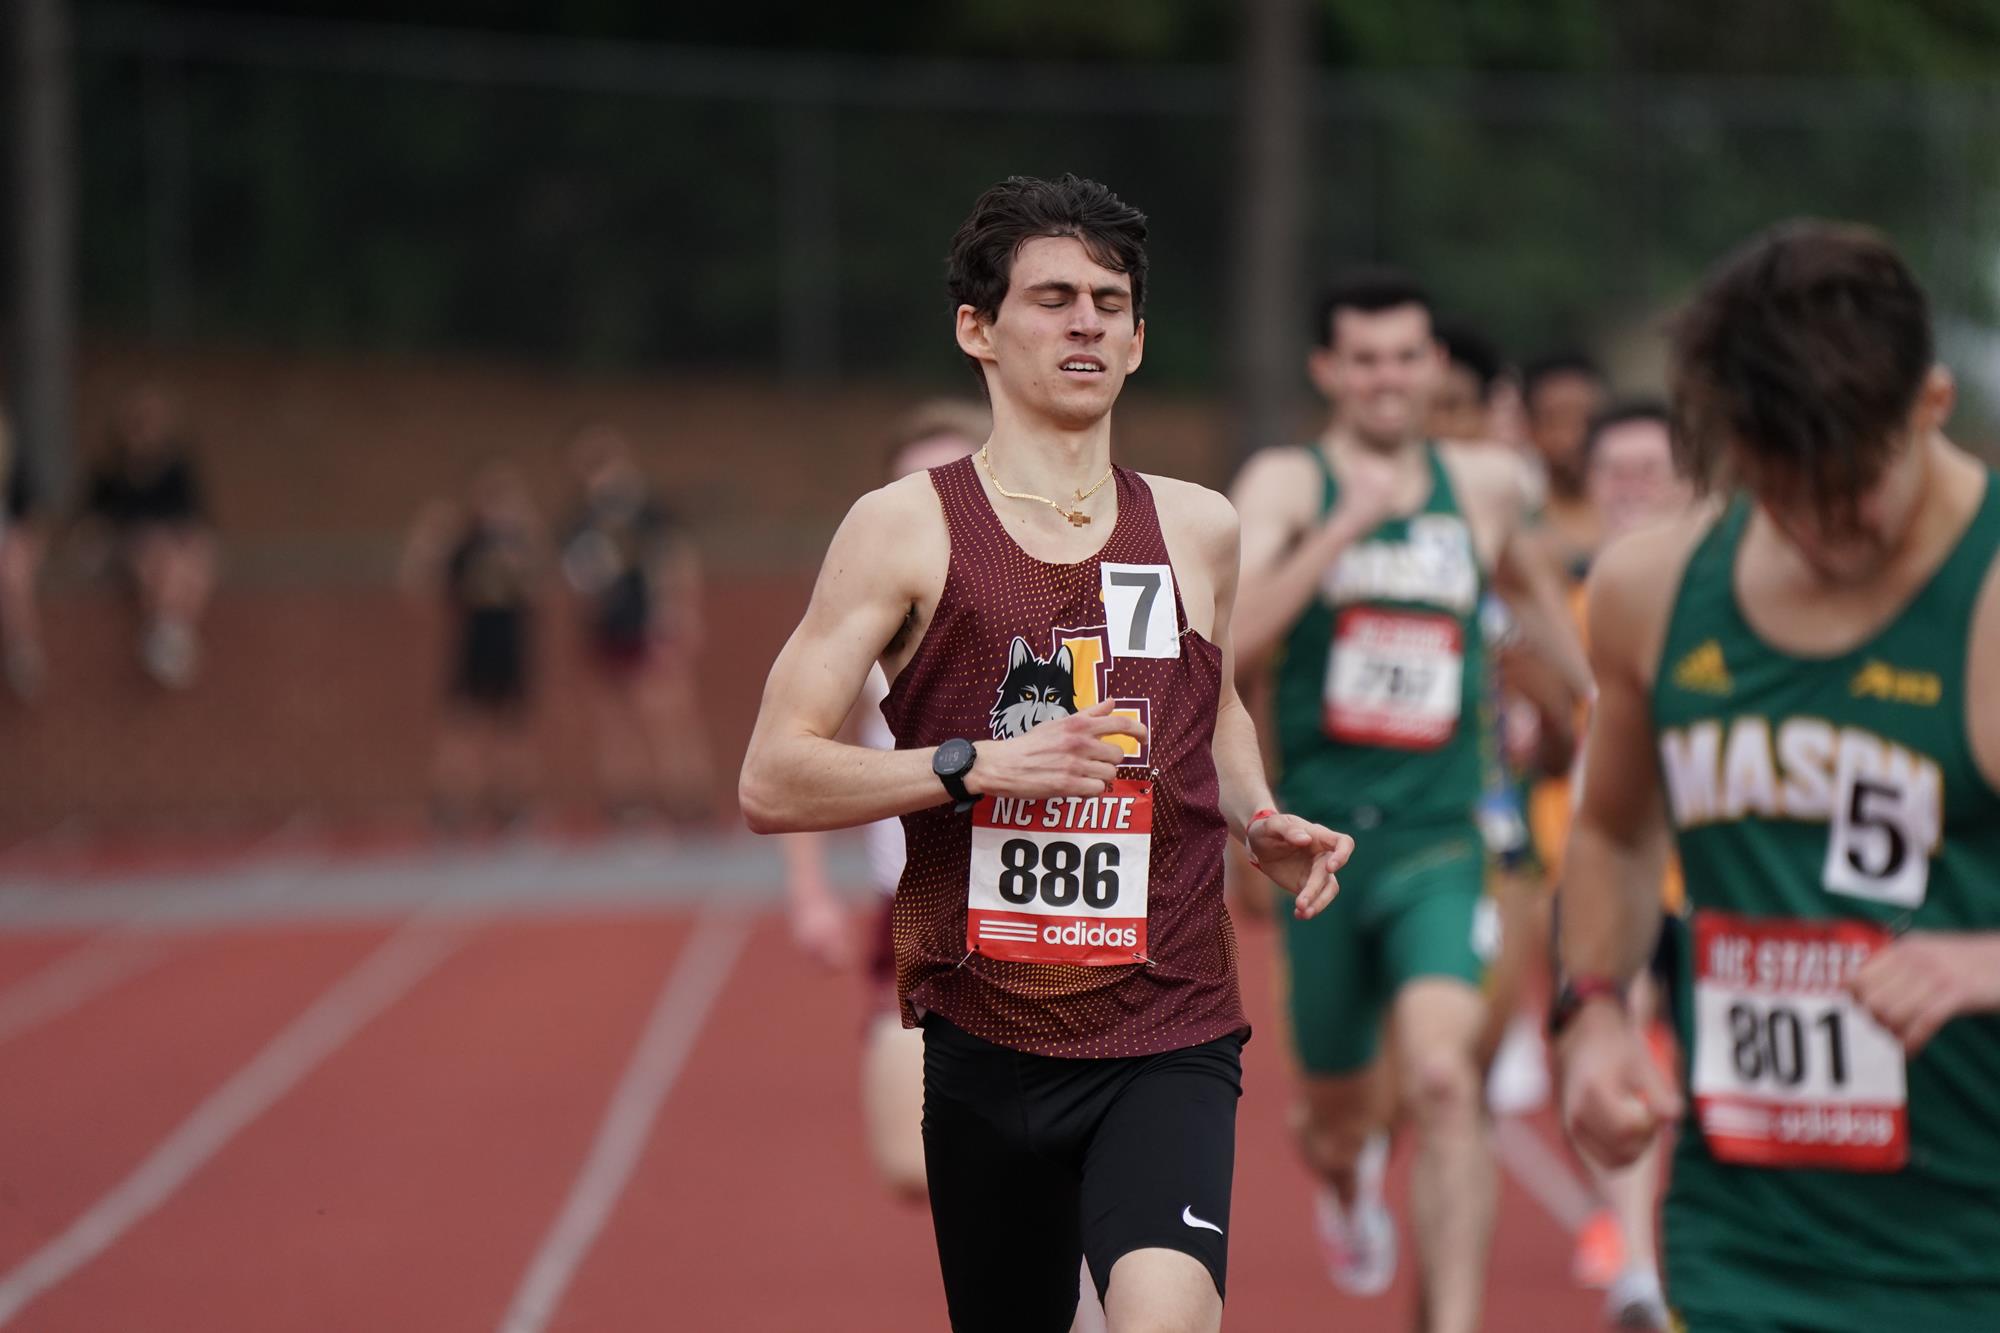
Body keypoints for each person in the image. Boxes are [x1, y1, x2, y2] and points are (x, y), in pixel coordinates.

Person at [740, 174, 1353, 1333]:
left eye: (1109, 302)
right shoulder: (902, 527)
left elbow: (1208, 703)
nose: (1085, 322)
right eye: (1053, 298)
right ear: (976, 328)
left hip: (1166, 1024)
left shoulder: (1196, 524)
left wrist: (1258, 813)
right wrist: (971, 765)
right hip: (986, 1036)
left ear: (1135, 340)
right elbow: (772, 775)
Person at [1556, 221, 2000, 1332]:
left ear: (1929, 406)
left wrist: (1983, 959)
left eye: (1849, 489)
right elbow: (1612, 832)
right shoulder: (1653, 587)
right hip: (1745, 1238)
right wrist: (1596, 1011)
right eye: (1776, 486)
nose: (1813, 526)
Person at [1230, 269, 1584, 1333]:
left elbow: (1523, 580)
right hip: (1325, 850)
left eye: (1405, 357)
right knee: (1334, 1120)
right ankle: (1346, 1187)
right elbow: (1228, 642)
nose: (1387, 378)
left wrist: (1593, 692)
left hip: (1442, 838)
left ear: (1433, 366)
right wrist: (1344, 532)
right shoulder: (1286, 484)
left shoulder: (1480, 483)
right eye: (1365, 359)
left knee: (1441, 1080)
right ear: (1328, 369)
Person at [780, 398, 989, 1203]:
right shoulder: (861, 613)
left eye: (952, 479)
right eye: (914, 484)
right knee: (915, 1164)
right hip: (918, 912)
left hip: (1044, 906)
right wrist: (809, 895)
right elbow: (792, 758)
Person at [1531, 401, 1693, 1331]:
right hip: (1598, 874)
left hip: (1710, 875)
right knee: (1612, 1038)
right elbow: (1540, 747)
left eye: (1651, 466)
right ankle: (1635, 1264)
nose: (1632, 483)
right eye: (1615, 469)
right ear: (1588, 485)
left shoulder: (1727, 598)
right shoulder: (1566, 604)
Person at [562, 424, 712, 823]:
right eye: (590, 469)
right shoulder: (583, 523)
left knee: (667, 714)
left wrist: (679, 613)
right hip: (609, 630)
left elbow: (678, 560)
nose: (600, 476)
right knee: (615, 721)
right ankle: (630, 806)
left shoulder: (650, 513)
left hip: (651, 626)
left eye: (605, 465)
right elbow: (578, 578)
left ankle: (689, 802)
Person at [399, 460, 547, 830]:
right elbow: (417, 585)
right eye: (489, 496)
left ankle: (512, 807)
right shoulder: (463, 544)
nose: (497, 506)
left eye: (505, 497)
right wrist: (426, 539)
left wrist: (528, 535)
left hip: (511, 645)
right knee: (461, 728)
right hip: (472, 646)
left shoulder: (522, 543)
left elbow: (540, 583)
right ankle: (451, 808)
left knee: (512, 729)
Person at [77, 385, 217, 688]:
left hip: (171, 548)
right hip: (130, 548)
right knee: (155, 552)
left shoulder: (177, 470)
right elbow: (93, 521)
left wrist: (186, 540)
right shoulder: (111, 474)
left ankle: (169, 628)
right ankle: (168, 633)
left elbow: (193, 517)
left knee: (186, 560)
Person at [1521, 351, 1610, 576]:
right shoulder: (1519, 523)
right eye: (1557, 421)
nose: (1576, 436)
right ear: (1528, 428)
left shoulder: (1637, 515)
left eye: (1590, 420)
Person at [0, 401, 43, 702]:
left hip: (7, 542)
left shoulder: (14, 465)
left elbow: (33, 518)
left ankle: (22, 648)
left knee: (13, 569)